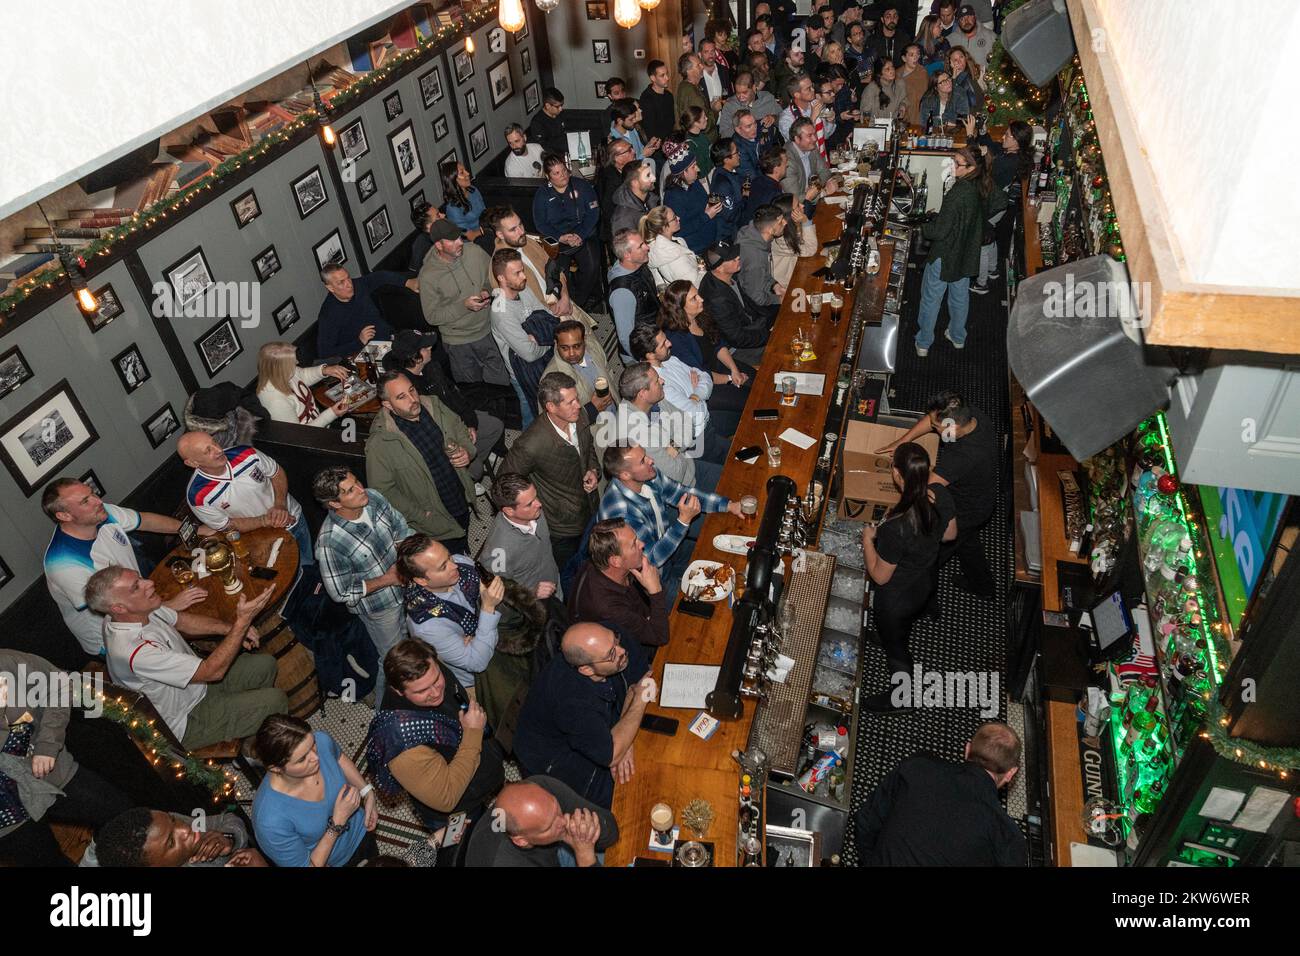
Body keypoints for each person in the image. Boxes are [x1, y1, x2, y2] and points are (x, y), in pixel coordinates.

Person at [87, 566, 282, 750]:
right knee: (275, 700)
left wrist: (229, 629)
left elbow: (182, 621)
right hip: (186, 718)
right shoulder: (136, 652)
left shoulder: (127, 613)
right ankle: (267, 748)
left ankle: (253, 736)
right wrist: (241, 624)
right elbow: (212, 672)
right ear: (119, 608)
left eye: (140, 578)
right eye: (136, 587)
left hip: (197, 686)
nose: (149, 583)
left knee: (266, 664)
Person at [42, 478, 207, 657]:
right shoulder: (64, 565)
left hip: (140, 602)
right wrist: (168, 607)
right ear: (64, 516)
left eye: (92, 494)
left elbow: (146, 520)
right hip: (115, 637)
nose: (98, 501)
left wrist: (195, 530)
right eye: (85, 501)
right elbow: (109, 611)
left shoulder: (100, 514)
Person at [0, 648, 133, 867]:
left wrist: (47, 745)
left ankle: (95, 859)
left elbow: (59, 684)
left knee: (122, 817)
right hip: (8, 813)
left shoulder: (6, 662)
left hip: (50, 773)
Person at [365, 639, 505, 834]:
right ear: (398, 691)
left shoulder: (430, 670)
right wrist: (473, 733)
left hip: (478, 779)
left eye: (437, 679)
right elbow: (446, 798)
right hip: (456, 812)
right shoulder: (402, 744)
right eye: (422, 691)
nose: (436, 691)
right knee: (469, 845)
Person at [859, 442, 957, 713]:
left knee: (897, 648)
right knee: (898, 630)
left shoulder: (896, 527)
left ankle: (903, 697)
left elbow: (879, 576)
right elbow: (950, 535)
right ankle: (890, 634)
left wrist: (868, 541)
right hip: (925, 583)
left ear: (897, 475)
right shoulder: (940, 494)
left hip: (896, 599)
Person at [512, 621, 652, 808]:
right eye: (612, 653)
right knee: (633, 795)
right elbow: (610, 755)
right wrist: (640, 700)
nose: (621, 651)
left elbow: (642, 676)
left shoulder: (605, 639)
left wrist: (626, 739)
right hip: (559, 763)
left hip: (596, 731)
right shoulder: (571, 700)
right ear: (586, 669)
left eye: (616, 641)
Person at [854, 722, 1027, 866]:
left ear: (967, 749)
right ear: (1010, 773)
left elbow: (865, 823)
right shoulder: (1008, 837)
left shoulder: (917, 768)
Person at [882, 390, 999, 601]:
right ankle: (984, 585)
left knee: (932, 556)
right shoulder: (971, 416)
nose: (934, 429)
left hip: (966, 509)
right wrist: (903, 441)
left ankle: (925, 600)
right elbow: (932, 419)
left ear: (950, 428)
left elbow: (924, 489)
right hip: (981, 495)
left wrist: (898, 506)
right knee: (967, 543)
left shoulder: (963, 457)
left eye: (937, 429)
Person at [312, 467, 410, 701]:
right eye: (350, 490)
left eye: (357, 482)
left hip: (406, 585)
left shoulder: (373, 498)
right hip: (380, 608)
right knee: (392, 657)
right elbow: (340, 591)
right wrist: (388, 579)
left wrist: (404, 552)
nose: (360, 490)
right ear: (335, 504)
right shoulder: (330, 543)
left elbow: (399, 525)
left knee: (410, 635)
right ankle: (384, 704)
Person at [501, 372, 601, 574]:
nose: (578, 406)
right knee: (571, 572)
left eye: (577, 399)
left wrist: (593, 469)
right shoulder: (531, 444)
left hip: (590, 506)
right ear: (551, 407)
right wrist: (529, 510)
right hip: (563, 525)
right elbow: (504, 482)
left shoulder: (578, 416)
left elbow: (588, 448)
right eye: (570, 402)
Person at [367, 371, 475, 554]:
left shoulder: (433, 404)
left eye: (412, 390)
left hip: (459, 493)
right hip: (433, 517)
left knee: (463, 533)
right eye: (402, 397)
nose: (412, 399)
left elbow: (459, 427)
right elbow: (382, 491)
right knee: (447, 557)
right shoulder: (380, 443)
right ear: (387, 404)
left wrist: (467, 451)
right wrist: (420, 515)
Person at [598, 443, 741, 580]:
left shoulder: (647, 475)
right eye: (642, 461)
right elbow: (650, 560)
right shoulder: (622, 513)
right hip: (650, 576)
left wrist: (728, 505)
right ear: (625, 475)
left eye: (646, 455)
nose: (651, 460)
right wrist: (683, 521)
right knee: (702, 594)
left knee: (718, 555)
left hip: (666, 545)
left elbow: (681, 493)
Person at [251, 715, 377, 867]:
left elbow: (339, 758)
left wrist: (367, 792)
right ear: (276, 768)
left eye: (313, 745)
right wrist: (337, 823)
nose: (316, 757)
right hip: (335, 862)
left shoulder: (321, 741)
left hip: (363, 831)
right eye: (302, 759)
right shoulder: (269, 821)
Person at [383, 329, 504, 484]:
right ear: (416, 358)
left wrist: (470, 422)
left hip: (457, 419)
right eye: (425, 348)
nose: (430, 349)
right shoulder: (408, 390)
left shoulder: (432, 366)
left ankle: (475, 454)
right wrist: (461, 435)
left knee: (495, 426)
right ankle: (463, 478)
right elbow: (434, 427)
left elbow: (455, 395)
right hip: (445, 434)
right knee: (477, 470)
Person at [178, 430, 313, 565]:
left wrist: (280, 505)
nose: (219, 450)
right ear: (192, 463)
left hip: (294, 517)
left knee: (310, 564)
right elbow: (227, 525)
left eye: (214, 442)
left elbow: (276, 473)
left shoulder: (245, 453)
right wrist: (265, 520)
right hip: (263, 540)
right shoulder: (197, 496)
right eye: (208, 451)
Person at [394, 534, 504, 696]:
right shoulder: (427, 627)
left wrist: (477, 636)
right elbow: (478, 662)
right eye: (443, 567)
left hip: (496, 642)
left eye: (449, 557)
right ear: (422, 580)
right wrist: (487, 608)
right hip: (479, 681)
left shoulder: (459, 561)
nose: (454, 566)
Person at [604, 361, 720, 494]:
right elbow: (675, 474)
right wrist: (679, 442)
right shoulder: (635, 433)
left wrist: (674, 446)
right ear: (643, 393)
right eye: (656, 381)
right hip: (676, 492)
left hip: (689, 467)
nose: (663, 381)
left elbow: (687, 421)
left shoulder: (654, 399)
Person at [417, 219, 509, 387]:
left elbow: (493, 277)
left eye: (459, 237)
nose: (460, 242)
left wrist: (486, 290)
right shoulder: (428, 276)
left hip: (489, 331)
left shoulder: (475, 252)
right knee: (474, 394)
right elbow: (432, 316)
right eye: (453, 240)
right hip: (458, 344)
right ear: (439, 245)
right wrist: (463, 306)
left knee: (502, 386)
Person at [627, 323, 734, 462]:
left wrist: (695, 395)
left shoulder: (670, 359)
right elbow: (695, 415)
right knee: (741, 451)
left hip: (707, 416)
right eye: (663, 344)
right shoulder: (657, 385)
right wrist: (697, 391)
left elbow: (705, 377)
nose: (670, 343)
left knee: (746, 417)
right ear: (650, 354)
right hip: (699, 438)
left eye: (666, 339)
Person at [913, 145, 984, 356]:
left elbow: (941, 232)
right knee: (960, 297)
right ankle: (957, 337)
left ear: (970, 168)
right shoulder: (980, 186)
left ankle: (924, 343)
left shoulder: (957, 193)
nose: (952, 165)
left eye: (957, 163)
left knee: (931, 298)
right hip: (966, 253)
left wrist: (924, 226)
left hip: (945, 255)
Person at [465, 775, 618, 867]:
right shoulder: (504, 862)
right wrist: (585, 856)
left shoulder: (540, 789)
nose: (563, 821)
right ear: (521, 841)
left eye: (557, 807)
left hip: (556, 853)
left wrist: (591, 827)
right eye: (549, 826)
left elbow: (612, 830)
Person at [568, 517, 670, 654]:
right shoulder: (608, 608)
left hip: (639, 618)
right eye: (634, 544)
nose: (642, 544)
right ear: (616, 561)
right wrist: (655, 591)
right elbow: (660, 637)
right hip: (623, 650)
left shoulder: (606, 564)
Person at [658, 278, 752, 419]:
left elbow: (718, 344)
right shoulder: (676, 338)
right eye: (694, 298)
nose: (701, 299)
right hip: (705, 384)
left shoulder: (701, 315)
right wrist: (729, 378)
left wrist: (734, 370)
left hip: (719, 366)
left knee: (757, 380)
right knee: (749, 400)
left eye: (698, 294)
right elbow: (701, 374)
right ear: (680, 307)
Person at [488, 247, 553, 427]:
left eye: (522, 270)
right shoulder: (501, 312)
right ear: (501, 278)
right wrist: (549, 339)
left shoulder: (522, 289)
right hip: (523, 376)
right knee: (533, 419)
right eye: (516, 273)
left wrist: (537, 336)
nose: (523, 276)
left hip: (543, 362)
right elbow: (529, 354)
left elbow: (549, 317)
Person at [968, 115, 1033, 291]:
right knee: (989, 237)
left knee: (981, 240)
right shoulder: (1012, 154)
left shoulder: (1009, 161)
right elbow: (992, 146)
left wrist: (970, 137)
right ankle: (993, 269)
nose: (1003, 137)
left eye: (1007, 135)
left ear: (1017, 141)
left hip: (993, 206)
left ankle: (981, 283)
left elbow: (978, 166)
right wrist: (982, 131)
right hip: (999, 205)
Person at [532, 153, 602, 312]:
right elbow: (540, 223)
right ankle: (566, 298)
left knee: (592, 266)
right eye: (556, 173)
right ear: (548, 176)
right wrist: (560, 237)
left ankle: (578, 302)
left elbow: (593, 213)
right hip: (558, 239)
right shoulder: (542, 194)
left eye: (564, 170)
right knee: (559, 273)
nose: (562, 175)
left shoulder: (582, 186)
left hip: (583, 235)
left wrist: (580, 234)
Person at [88, 808, 266, 867]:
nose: (185, 830)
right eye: (171, 842)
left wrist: (229, 838)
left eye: (173, 820)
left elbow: (226, 819)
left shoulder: (165, 827)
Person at [478, 473, 561, 598]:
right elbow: (498, 591)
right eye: (529, 504)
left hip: (554, 581)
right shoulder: (499, 550)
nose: (539, 504)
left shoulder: (534, 511)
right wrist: (532, 593)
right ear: (509, 511)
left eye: (536, 497)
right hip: (535, 603)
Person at [316, 264, 418, 360]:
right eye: (341, 282)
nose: (349, 285)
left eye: (348, 278)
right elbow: (325, 353)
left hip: (389, 338)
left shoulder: (358, 286)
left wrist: (407, 282)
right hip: (364, 353)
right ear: (330, 287)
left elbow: (380, 276)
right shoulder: (329, 315)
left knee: (420, 348)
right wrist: (359, 341)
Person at [699, 240, 769, 366]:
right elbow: (737, 338)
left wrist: (767, 321)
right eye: (732, 259)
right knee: (781, 348)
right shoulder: (717, 299)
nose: (738, 258)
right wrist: (768, 336)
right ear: (719, 268)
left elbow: (748, 305)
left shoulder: (727, 277)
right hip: (735, 350)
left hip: (748, 329)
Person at [255, 342, 350, 427]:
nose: (297, 362)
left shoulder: (282, 373)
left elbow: (303, 375)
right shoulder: (275, 401)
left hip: (321, 421)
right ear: (281, 369)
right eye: (293, 362)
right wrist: (332, 414)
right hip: (310, 439)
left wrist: (324, 370)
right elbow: (298, 435)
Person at [544, 319, 616, 427]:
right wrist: (591, 409)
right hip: (594, 430)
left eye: (577, 346)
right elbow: (555, 424)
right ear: (556, 343)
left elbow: (608, 371)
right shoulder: (551, 380)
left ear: (585, 341)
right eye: (564, 348)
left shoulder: (593, 347)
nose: (571, 353)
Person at [662, 141, 721, 256]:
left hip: (712, 240)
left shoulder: (693, 182)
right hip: (698, 250)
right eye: (693, 167)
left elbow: (704, 203)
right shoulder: (673, 197)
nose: (698, 169)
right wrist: (706, 216)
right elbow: (679, 230)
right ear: (684, 172)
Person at [606, 228, 658, 357]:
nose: (647, 247)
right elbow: (625, 337)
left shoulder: (637, 265)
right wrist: (642, 361)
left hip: (655, 332)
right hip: (645, 350)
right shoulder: (622, 293)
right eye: (641, 246)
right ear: (627, 256)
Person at [736, 202, 786, 324]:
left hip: (758, 286)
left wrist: (774, 285)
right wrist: (779, 299)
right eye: (780, 222)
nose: (785, 222)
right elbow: (757, 298)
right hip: (756, 309)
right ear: (769, 230)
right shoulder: (755, 258)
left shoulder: (752, 233)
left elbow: (762, 273)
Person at [781, 117, 840, 208]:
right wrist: (823, 192)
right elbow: (795, 199)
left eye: (814, 134)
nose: (815, 138)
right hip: (797, 212)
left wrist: (815, 188)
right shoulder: (787, 161)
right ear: (797, 139)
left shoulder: (810, 146)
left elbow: (825, 172)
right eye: (809, 135)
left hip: (811, 201)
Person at [641, 206, 705, 289]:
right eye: (674, 218)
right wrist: (702, 267)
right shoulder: (672, 258)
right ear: (664, 227)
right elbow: (695, 285)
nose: (679, 218)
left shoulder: (674, 242)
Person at [439, 160, 491, 254]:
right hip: (472, 246)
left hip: (486, 233)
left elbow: (486, 213)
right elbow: (469, 236)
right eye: (462, 172)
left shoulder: (473, 190)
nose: (468, 173)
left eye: (465, 170)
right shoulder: (453, 208)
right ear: (453, 179)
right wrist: (491, 230)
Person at [770, 192, 819, 288]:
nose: (802, 205)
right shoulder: (780, 240)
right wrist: (806, 222)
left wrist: (800, 224)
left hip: (797, 269)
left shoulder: (788, 227)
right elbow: (810, 249)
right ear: (789, 214)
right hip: (787, 285)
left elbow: (802, 239)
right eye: (797, 205)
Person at [597, 138, 638, 248]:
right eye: (629, 150)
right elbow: (609, 212)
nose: (634, 152)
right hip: (619, 231)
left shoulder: (626, 170)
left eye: (632, 147)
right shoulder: (612, 181)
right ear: (617, 158)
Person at [609, 159, 659, 240]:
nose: (654, 178)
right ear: (634, 182)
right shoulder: (623, 218)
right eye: (648, 175)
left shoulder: (651, 199)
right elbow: (628, 249)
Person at [709, 137, 746, 243]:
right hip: (729, 236)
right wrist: (745, 197)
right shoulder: (722, 184)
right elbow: (731, 215)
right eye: (736, 152)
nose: (739, 154)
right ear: (726, 159)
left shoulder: (730, 173)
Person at [674, 53, 717, 141]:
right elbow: (705, 125)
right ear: (688, 71)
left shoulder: (683, 86)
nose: (702, 67)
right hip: (704, 142)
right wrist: (715, 110)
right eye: (698, 65)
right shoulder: (693, 94)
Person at [742, 144, 788, 224]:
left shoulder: (757, 180)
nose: (787, 165)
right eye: (785, 163)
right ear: (776, 169)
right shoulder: (774, 194)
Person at [608, 98, 660, 167]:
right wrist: (643, 155)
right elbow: (626, 169)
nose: (634, 121)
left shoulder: (631, 129)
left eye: (634, 117)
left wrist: (650, 146)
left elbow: (640, 150)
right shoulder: (613, 141)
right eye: (631, 119)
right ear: (620, 121)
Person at [725, 106, 768, 183]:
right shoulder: (737, 149)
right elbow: (751, 177)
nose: (754, 128)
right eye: (749, 126)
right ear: (738, 129)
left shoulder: (757, 132)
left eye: (755, 123)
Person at [639, 59, 677, 144]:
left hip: (671, 141)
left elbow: (671, 122)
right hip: (657, 146)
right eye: (662, 75)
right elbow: (650, 131)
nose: (667, 78)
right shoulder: (647, 99)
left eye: (667, 73)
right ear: (653, 78)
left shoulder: (668, 95)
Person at [860, 58, 907, 125]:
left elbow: (904, 99)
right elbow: (865, 115)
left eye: (892, 67)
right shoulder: (871, 89)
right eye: (887, 69)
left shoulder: (899, 84)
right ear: (879, 73)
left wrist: (902, 106)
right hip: (876, 129)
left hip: (894, 126)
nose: (892, 71)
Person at [526, 87, 568, 158]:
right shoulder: (537, 123)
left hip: (565, 152)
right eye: (557, 106)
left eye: (561, 105)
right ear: (548, 106)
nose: (561, 109)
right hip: (552, 157)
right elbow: (543, 147)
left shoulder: (560, 114)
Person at [952, 3, 995, 71]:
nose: (966, 21)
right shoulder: (950, 40)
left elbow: (999, 60)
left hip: (984, 79)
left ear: (974, 17)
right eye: (962, 19)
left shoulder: (990, 36)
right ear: (958, 22)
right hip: (959, 79)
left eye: (969, 16)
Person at [697, 36, 732, 113]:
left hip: (724, 120)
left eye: (712, 51)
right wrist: (711, 107)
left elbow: (729, 95)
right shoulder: (696, 75)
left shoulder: (724, 71)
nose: (710, 55)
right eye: (706, 52)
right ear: (700, 54)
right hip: (707, 122)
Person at [944, 48, 982, 118]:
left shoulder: (971, 76)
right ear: (951, 64)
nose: (959, 62)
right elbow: (950, 104)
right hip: (961, 122)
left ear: (965, 58)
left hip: (977, 118)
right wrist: (954, 77)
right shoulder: (948, 81)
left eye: (961, 57)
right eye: (955, 60)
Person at [898, 43, 930, 126]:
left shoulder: (922, 73)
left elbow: (923, 96)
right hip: (900, 114)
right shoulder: (896, 74)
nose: (916, 57)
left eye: (918, 54)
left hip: (917, 114)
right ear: (904, 58)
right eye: (911, 55)